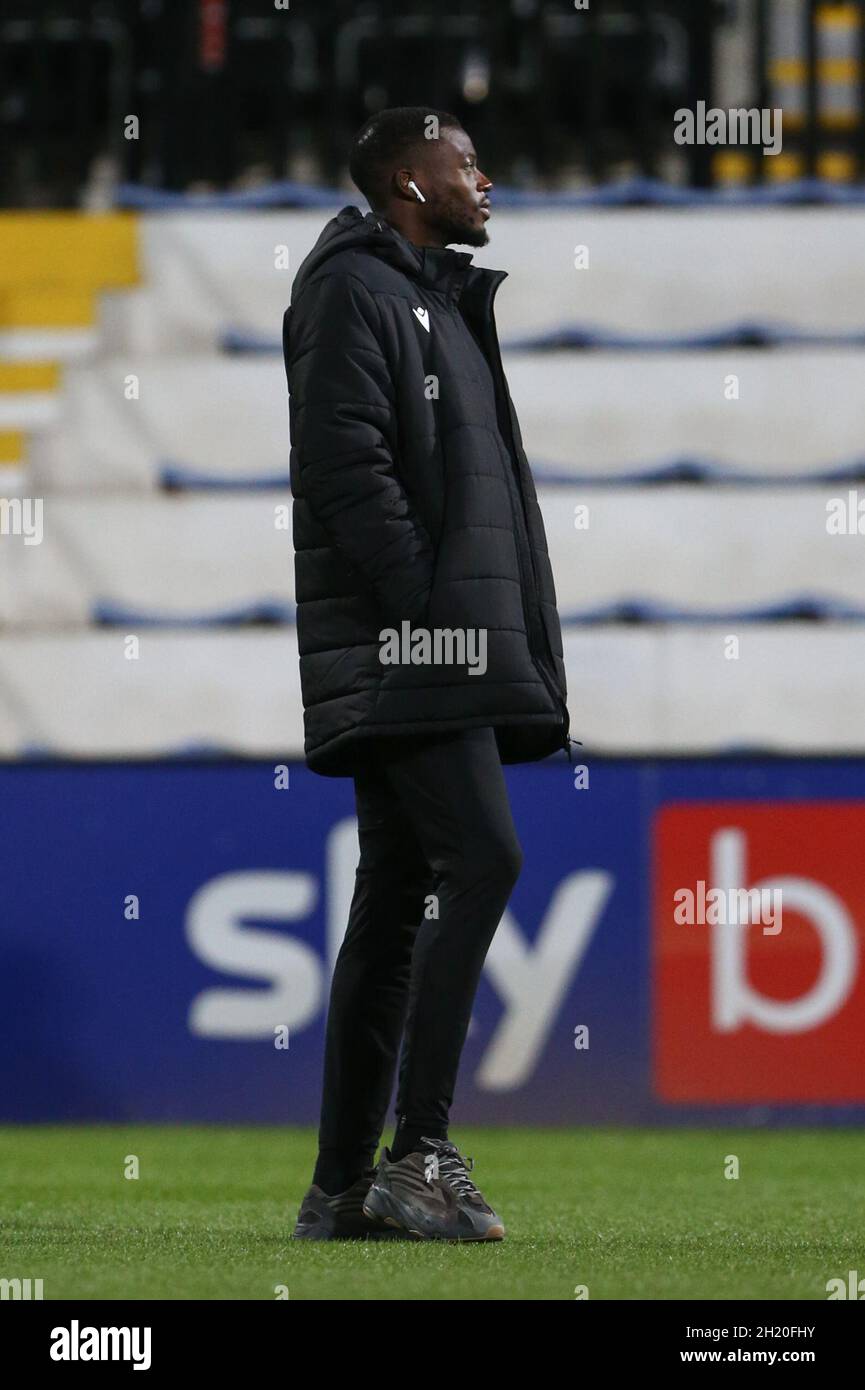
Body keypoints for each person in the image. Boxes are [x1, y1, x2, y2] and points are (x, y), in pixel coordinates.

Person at [283, 106, 573, 1241]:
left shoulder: (427, 293)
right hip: (413, 652)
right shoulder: (357, 290)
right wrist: (428, 613)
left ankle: (340, 1187)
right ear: (408, 178)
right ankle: (420, 1154)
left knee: (397, 900)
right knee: (484, 856)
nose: (485, 177)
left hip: (429, 649)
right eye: (464, 163)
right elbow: (343, 466)